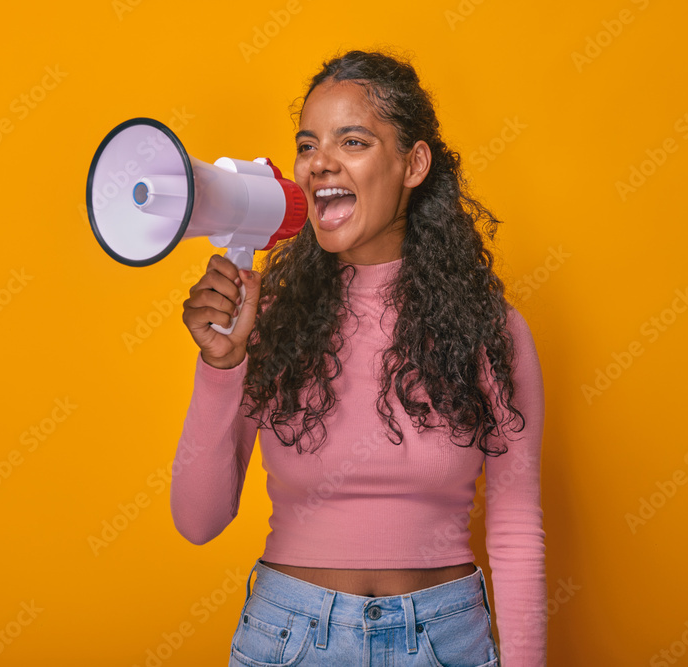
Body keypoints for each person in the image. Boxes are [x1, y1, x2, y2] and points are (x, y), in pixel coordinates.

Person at [170, 49, 546, 666]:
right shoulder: (266, 322)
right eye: (307, 144)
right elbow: (198, 519)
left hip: (444, 640)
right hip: (288, 638)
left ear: (413, 163)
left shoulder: (491, 330)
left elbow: (514, 528)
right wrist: (220, 368)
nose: (321, 163)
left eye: (353, 141)